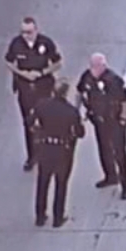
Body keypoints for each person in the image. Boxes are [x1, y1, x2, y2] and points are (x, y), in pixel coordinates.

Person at [4, 17, 63, 171]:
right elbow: (9, 62)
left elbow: (57, 63)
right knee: (29, 122)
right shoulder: (16, 44)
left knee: (46, 122)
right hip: (25, 88)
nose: (26, 35)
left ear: (36, 30)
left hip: (43, 86)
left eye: (29, 32)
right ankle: (32, 156)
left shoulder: (46, 43)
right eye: (23, 32)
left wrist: (42, 72)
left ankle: (48, 155)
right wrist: (22, 73)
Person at [77, 53, 126, 200]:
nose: (94, 70)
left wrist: (124, 117)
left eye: (97, 66)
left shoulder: (114, 80)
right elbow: (80, 91)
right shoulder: (87, 77)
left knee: (119, 154)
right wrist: (79, 112)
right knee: (104, 149)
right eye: (92, 66)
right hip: (98, 120)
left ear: (103, 66)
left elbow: (125, 100)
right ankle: (110, 176)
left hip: (114, 121)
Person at [30, 80, 85, 228]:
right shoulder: (71, 111)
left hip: (46, 148)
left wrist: (39, 133)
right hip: (63, 150)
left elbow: (30, 121)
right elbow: (80, 133)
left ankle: (40, 216)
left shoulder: (42, 105)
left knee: (43, 182)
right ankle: (57, 217)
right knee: (61, 184)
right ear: (66, 93)